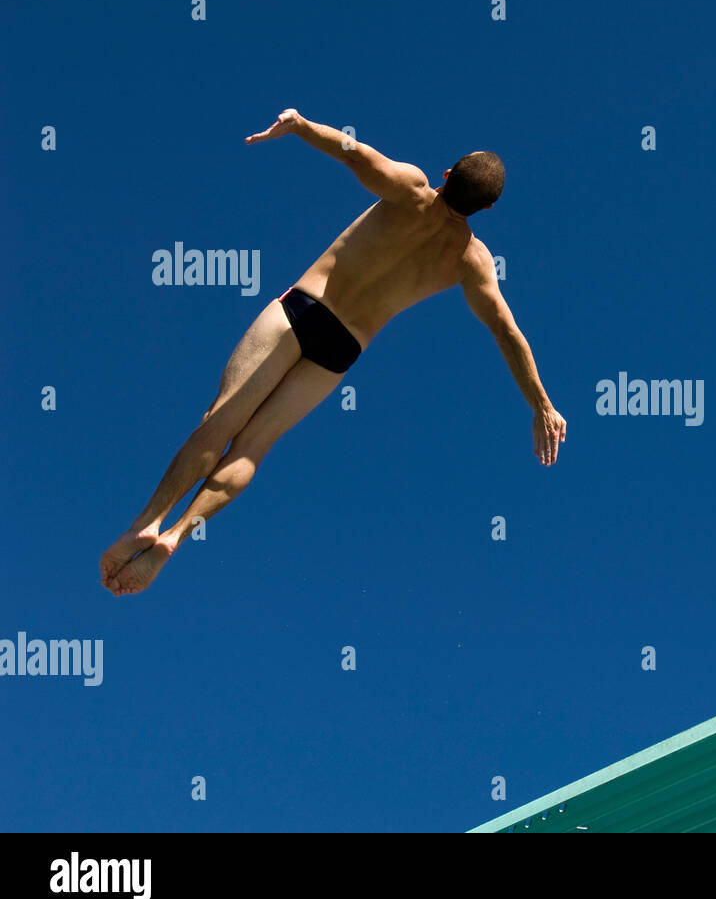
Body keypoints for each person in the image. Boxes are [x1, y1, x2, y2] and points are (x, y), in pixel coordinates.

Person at [100, 109, 566, 595]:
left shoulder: (412, 189)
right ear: (485, 210)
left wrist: (300, 126)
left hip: (303, 309)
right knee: (253, 448)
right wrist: (542, 404)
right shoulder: (473, 262)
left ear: (448, 172)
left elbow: (355, 153)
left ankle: (149, 521)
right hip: (342, 348)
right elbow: (507, 332)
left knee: (220, 421)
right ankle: (176, 537)